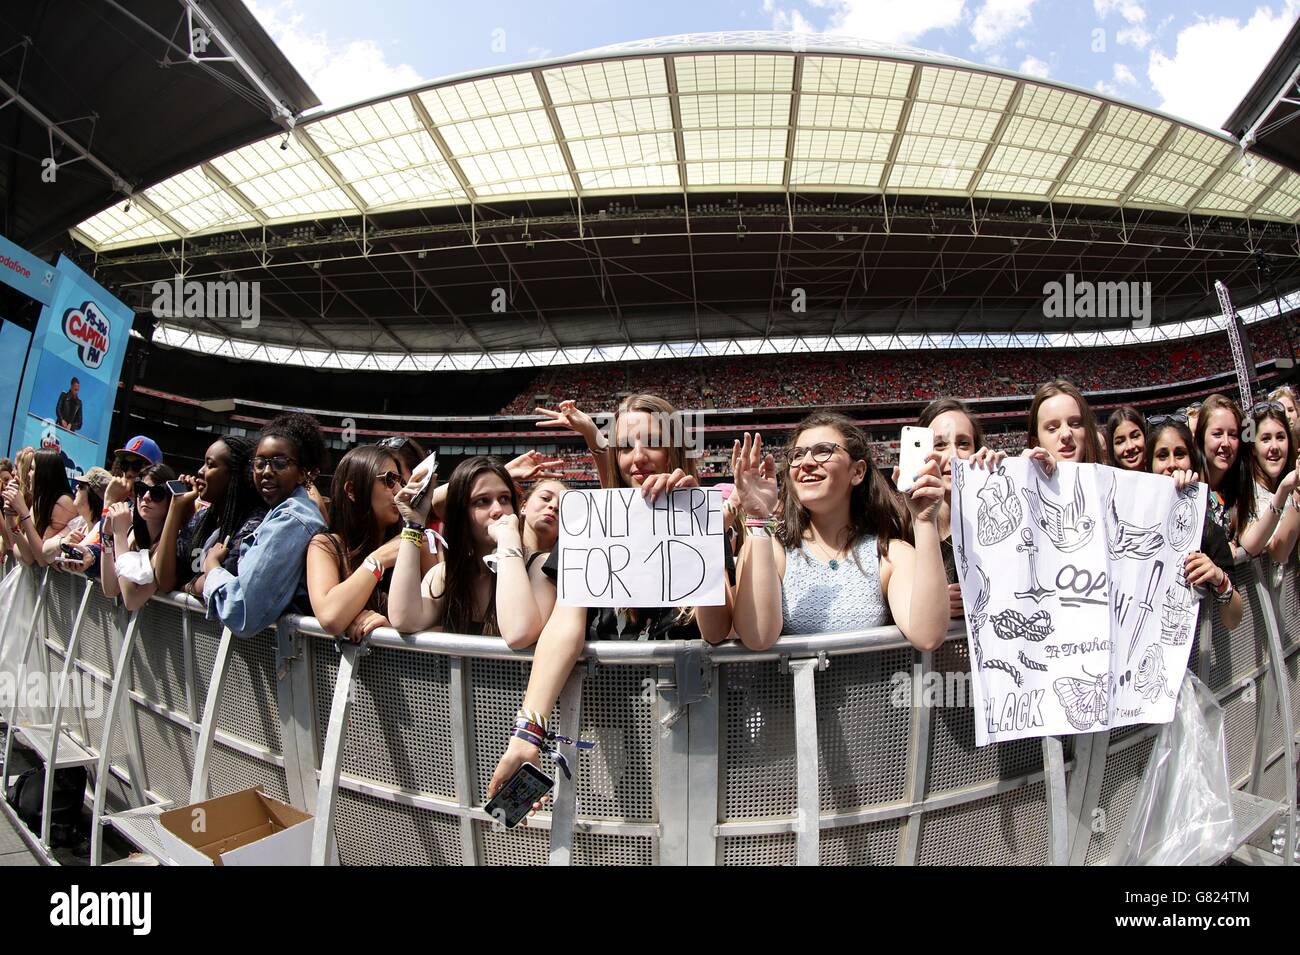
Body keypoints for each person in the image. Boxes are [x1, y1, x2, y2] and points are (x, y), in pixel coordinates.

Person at [486, 394, 733, 809]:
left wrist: (696, 531)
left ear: (675, 447)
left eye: (651, 442)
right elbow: (564, 626)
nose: (637, 459)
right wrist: (528, 735)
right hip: (613, 748)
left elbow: (716, 629)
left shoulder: (701, 515)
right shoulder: (589, 523)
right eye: (623, 446)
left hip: (700, 742)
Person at [730, 411, 949, 650]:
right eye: (798, 454)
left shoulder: (889, 554)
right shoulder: (770, 550)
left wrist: (925, 521)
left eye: (824, 450)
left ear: (857, 472)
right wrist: (758, 520)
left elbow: (928, 635)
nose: (806, 462)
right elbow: (757, 636)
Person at [388, 456, 553, 646]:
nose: (498, 510)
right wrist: (412, 525)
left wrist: (508, 541)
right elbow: (404, 618)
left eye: (504, 499)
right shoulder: (445, 574)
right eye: (482, 501)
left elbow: (519, 633)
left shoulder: (540, 567)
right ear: (462, 514)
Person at [199, 413, 328, 637]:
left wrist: (212, 568)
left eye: (280, 463)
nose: (267, 471)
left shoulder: (292, 520)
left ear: (301, 473)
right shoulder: (280, 513)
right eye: (259, 463)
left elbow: (242, 611)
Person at [1145, 415, 1242, 629]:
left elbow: (1233, 620)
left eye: (1180, 454)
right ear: (1149, 464)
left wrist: (1219, 579)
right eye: (1162, 456)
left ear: (1192, 461)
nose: (1172, 464)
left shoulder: (1207, 531)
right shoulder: (1136, 521)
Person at [912, 398, 1006, 613]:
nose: (953, 455)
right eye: (940, 445)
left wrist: (1012, 480)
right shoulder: (902, 528)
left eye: (963, 443)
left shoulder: (996, 516)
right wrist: (931, 597)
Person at [306, 445, 404, 642]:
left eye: (400, 481)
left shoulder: (411, 546)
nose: (400, 491)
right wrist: (379, 559)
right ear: (352, 490)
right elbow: (330, 616)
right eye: (389, 480)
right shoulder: (325, 546)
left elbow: (441, 625)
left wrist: (390, 633)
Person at [154, 436, 265, 597]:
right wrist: (175, 508)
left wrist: (187, 586)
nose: (200, 471)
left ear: (234, 476)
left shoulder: (253, 525)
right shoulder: (201, 519)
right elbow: (164, 581)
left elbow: (221, 582)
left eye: (210, 465)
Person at [99, 463, 177, 610]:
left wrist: (119, 534)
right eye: (142, 489)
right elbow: (110, 589)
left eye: (157, 493)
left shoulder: (169, 543)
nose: (146, 497)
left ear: (170, 500)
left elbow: (131, 600)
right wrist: (108, 536)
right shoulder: (134, 535)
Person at [1236, 401, 1300, 563]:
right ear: (1253, 448)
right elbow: (1279, 553)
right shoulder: (1242, 494)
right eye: (1265, 439)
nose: (1274, 447)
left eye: (1280, 437)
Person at [1, 448, 78, 566]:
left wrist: (23, 512)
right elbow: (23, 553)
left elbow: (41, 559)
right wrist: (10, 516)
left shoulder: (63, 502)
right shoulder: (39, 502)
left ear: (44, 472)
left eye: (32, 469)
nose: (28, 474)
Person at [1195, 394, 1251, 550]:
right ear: (1201, 438)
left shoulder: (1240, 491)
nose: (1226, 443)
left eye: (1232, 434)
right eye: (1217, 434)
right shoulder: (1187, 487)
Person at [1022, 379, 1103, 473]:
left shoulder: (1115, 482)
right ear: (1035, 443)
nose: (1066, 434)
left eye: (1075, 424)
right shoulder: (1017, 482)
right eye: (1052, 429)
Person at [1106, 406, 1148, 472]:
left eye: (1135, 436)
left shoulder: (1163, 478)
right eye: (1120, 442)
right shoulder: (1105, 481)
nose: (1130, 446)